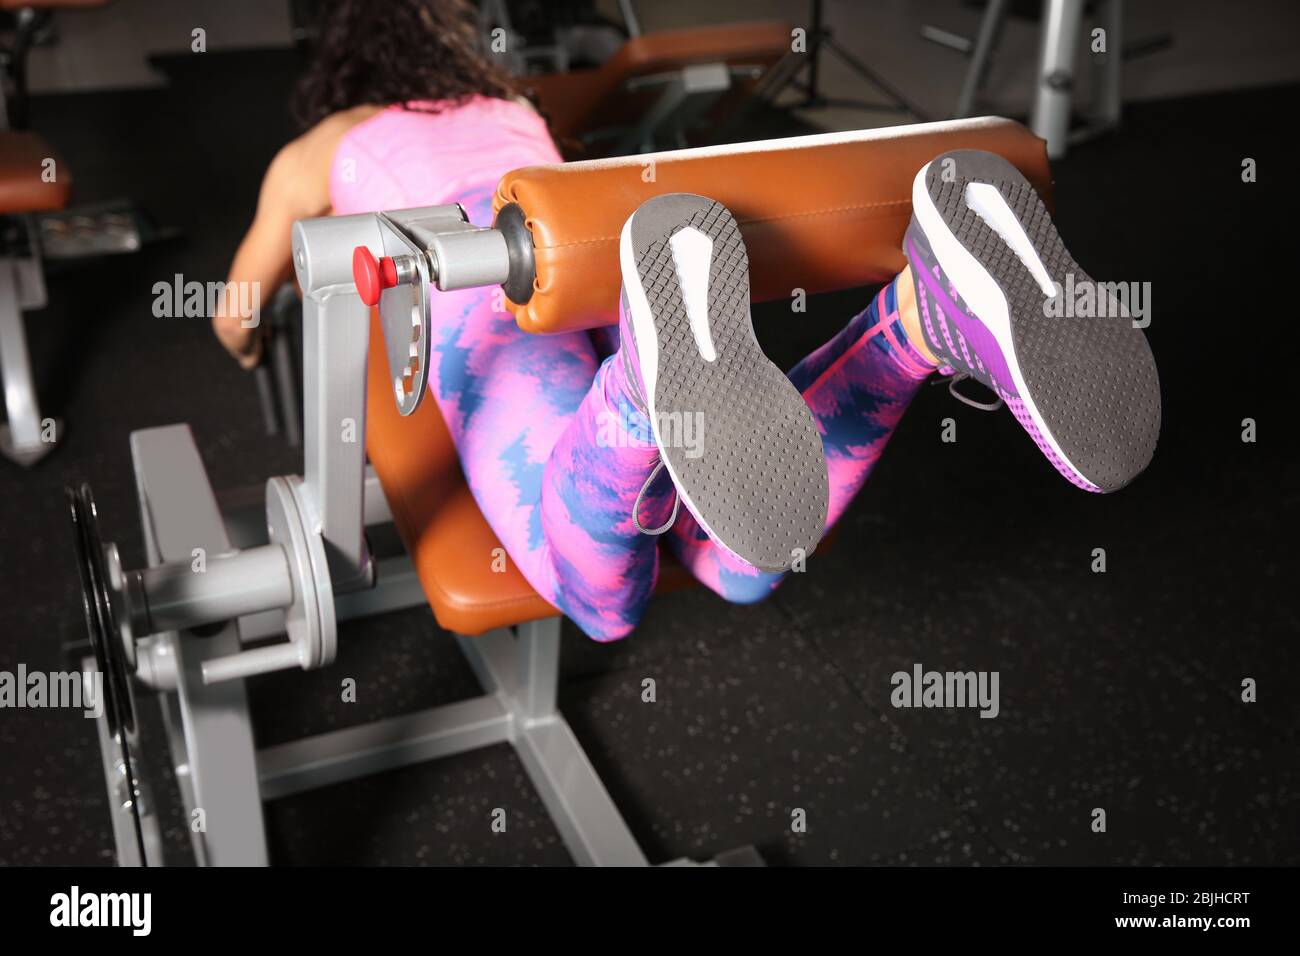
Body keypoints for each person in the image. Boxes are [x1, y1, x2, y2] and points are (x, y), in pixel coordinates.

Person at [216, 1, 1160, 642]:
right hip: (584, 246)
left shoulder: (321, 146)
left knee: (601, 606)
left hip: (470, 290)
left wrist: (253, 341)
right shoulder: (508, 105)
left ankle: (639, 396)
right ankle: (923, 322)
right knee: (744, 564)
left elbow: (235, 311)